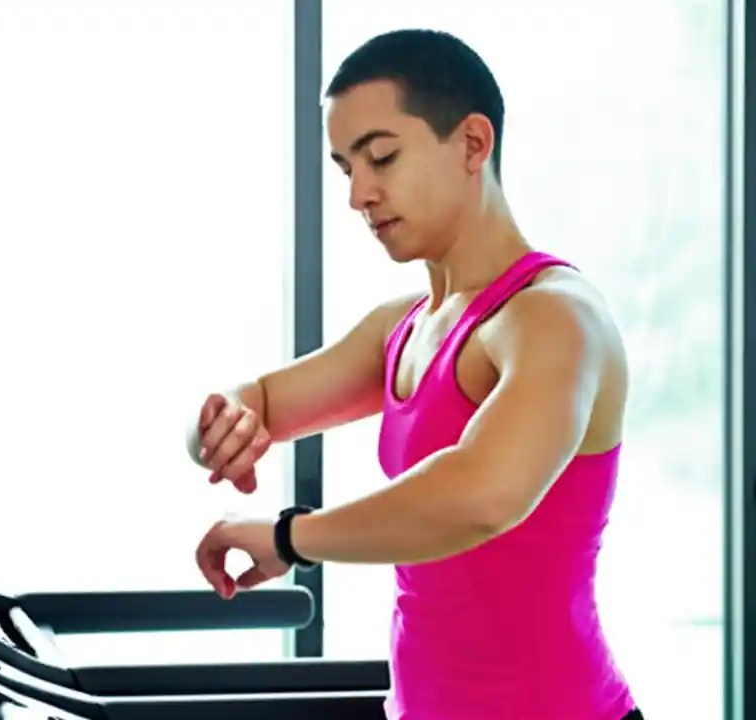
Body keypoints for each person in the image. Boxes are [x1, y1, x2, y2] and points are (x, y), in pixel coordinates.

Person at [187, 28, 643, 720]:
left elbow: (483, 495)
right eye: (347, 168)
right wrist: (220, 423)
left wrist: (290, 536)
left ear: (472, 144)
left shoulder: (553, 318)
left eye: (382, 158)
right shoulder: (402, 328)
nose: (359, 195)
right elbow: (262, 400)